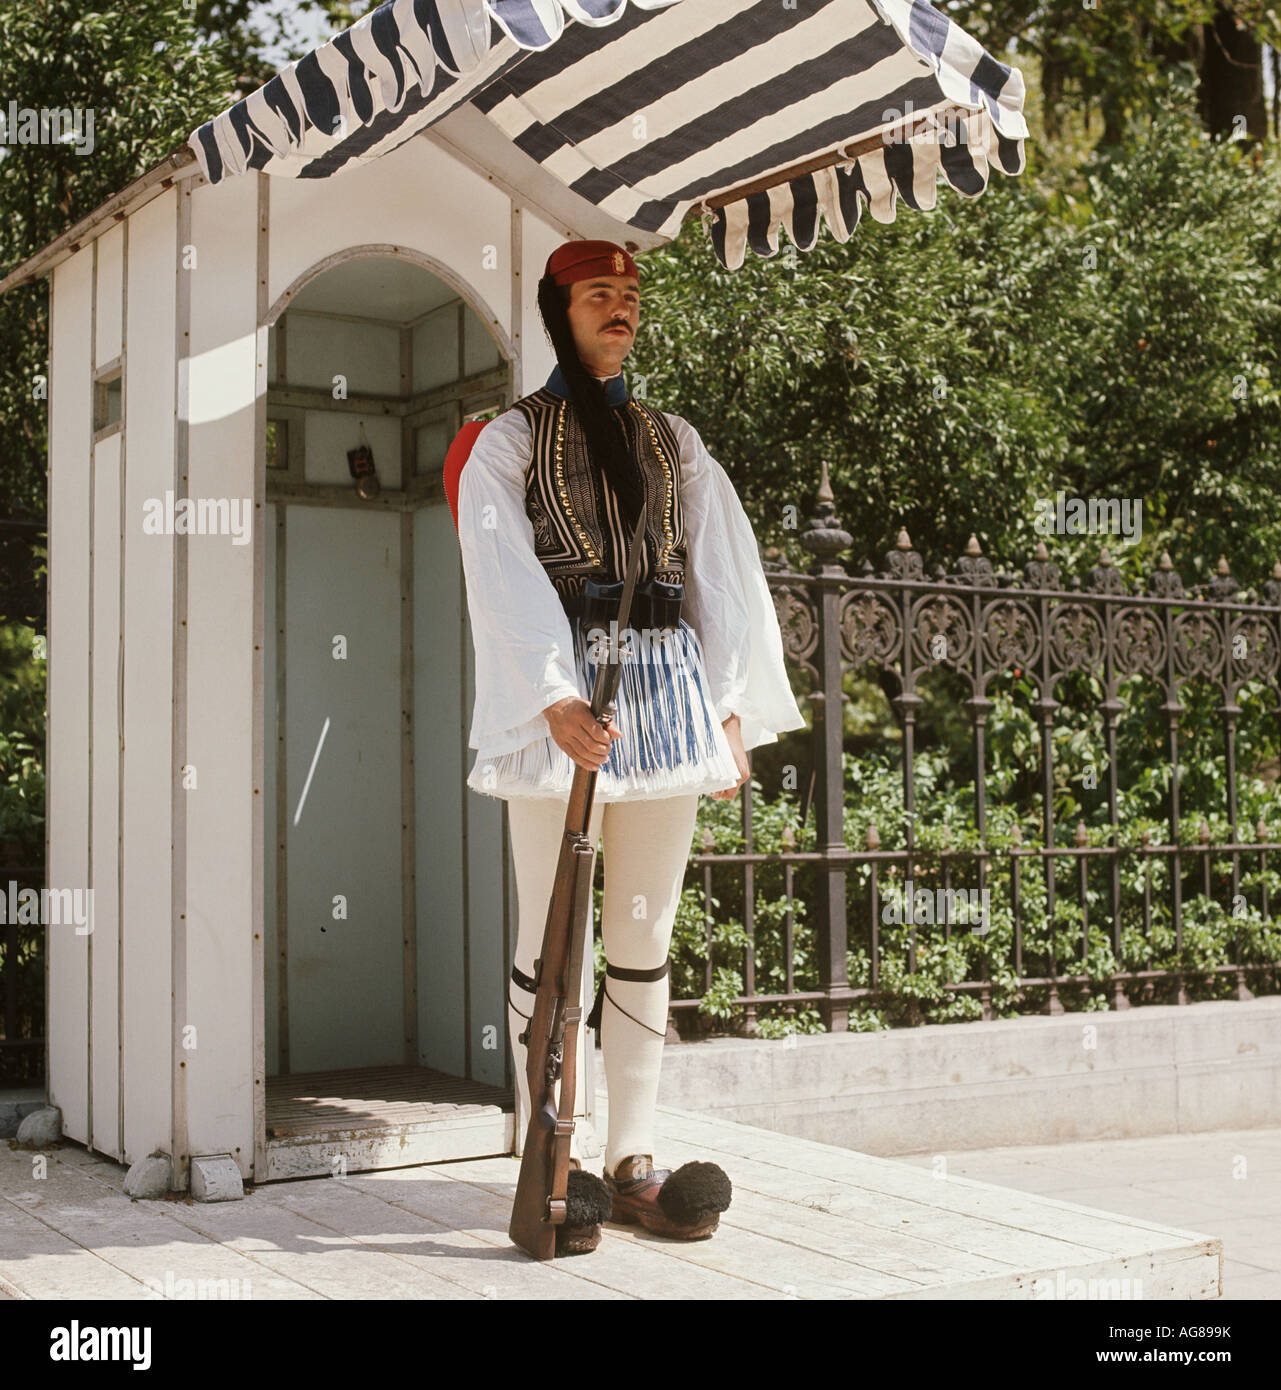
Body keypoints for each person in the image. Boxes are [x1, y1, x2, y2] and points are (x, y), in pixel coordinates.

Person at [455, 238, 804, 1249]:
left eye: (628, 294)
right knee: (550, 937)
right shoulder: (509, 439)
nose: (620, 308)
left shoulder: (672, 438)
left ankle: (634, 1157)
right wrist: (552, 694)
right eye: (598, 294)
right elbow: (498, 563)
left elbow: (720, 572)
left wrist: (730, 707)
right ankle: (547, 1156)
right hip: (566, 708)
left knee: (642, 934)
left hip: (664, 698)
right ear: (559, 310)